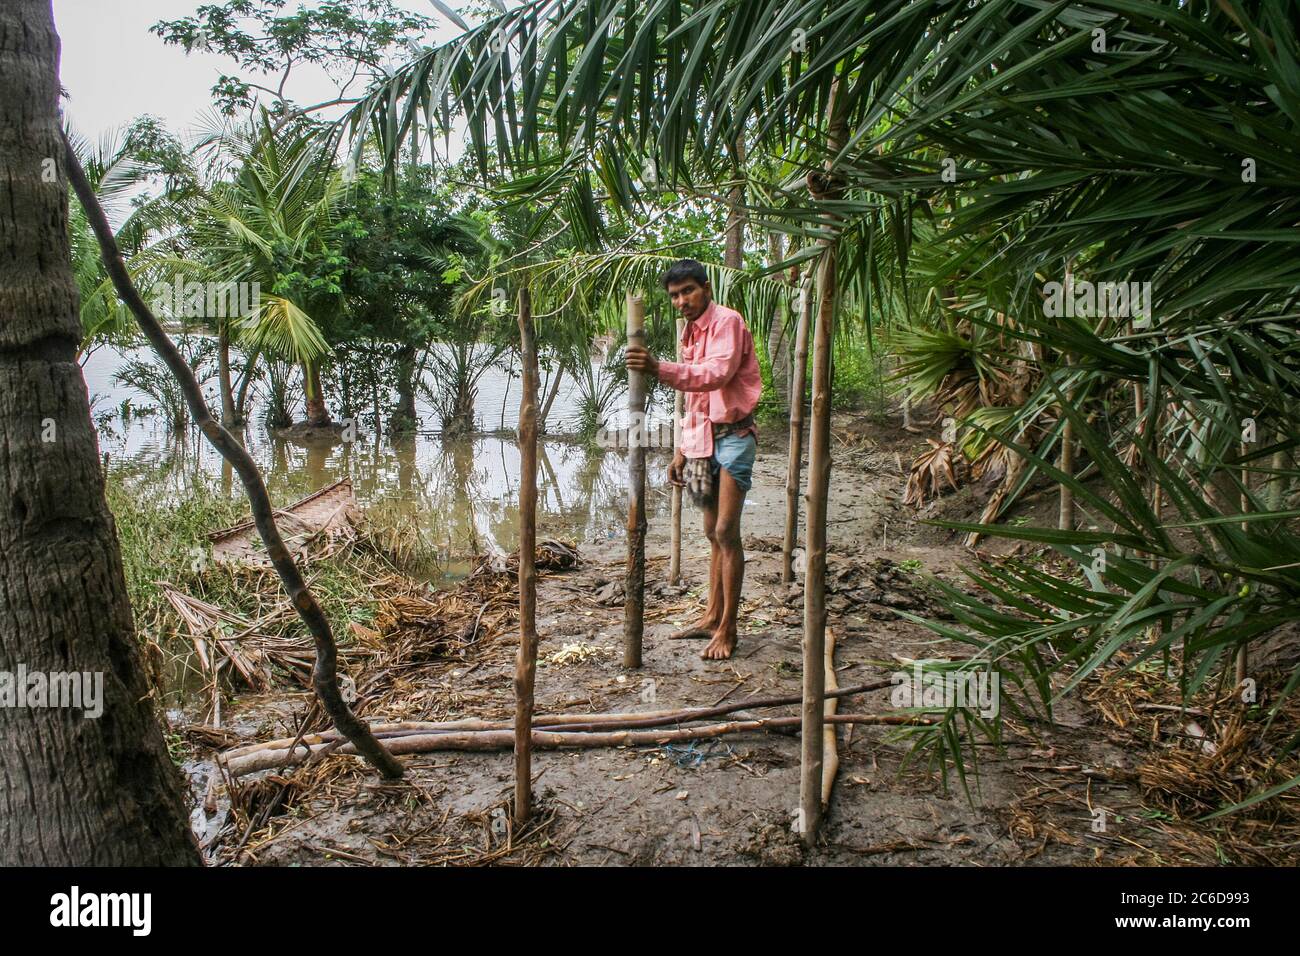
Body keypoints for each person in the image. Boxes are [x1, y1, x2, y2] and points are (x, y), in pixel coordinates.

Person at [624, 259, 762, 660]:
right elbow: (695, 398)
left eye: (687, 291)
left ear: (705, 288)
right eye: (674, 296)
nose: (681, 301)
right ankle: (711, 614)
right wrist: (681, 448)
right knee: (710, 533)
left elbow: (715, 375)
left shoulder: (727, 323)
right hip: (701, 440)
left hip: (734, 436)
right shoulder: (689, 332)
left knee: (725, 532)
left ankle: (729, 629)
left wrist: (658, 368)